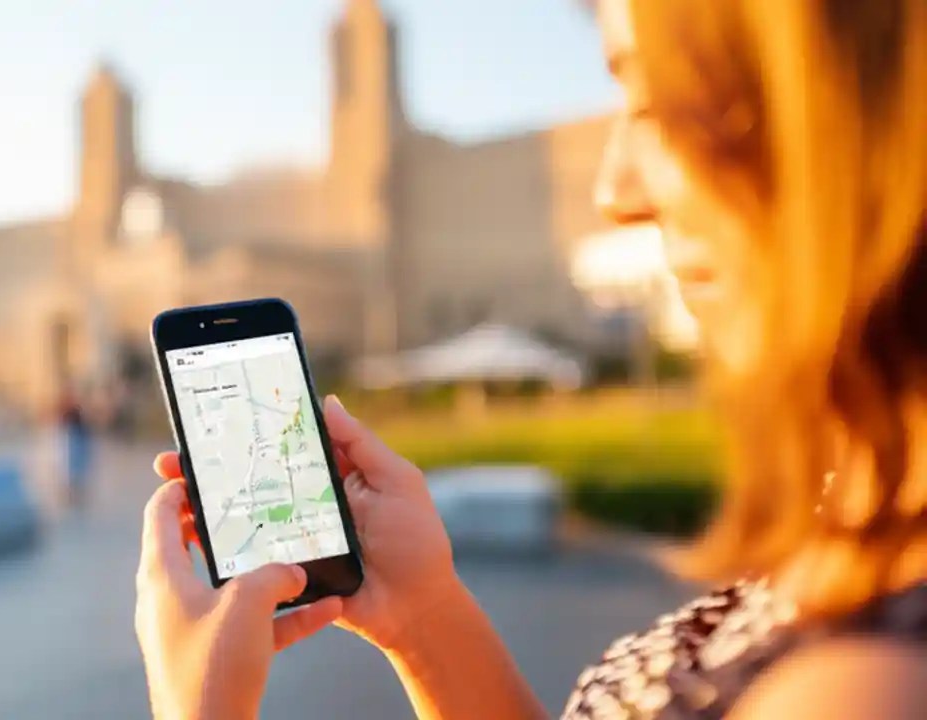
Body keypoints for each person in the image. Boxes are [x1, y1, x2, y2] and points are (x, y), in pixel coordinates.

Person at [135, 0, 927, 717]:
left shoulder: (864, 690)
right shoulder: (871, 525)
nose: (616, 191)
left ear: (859, 107)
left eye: (655, 99)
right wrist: (425, 617)